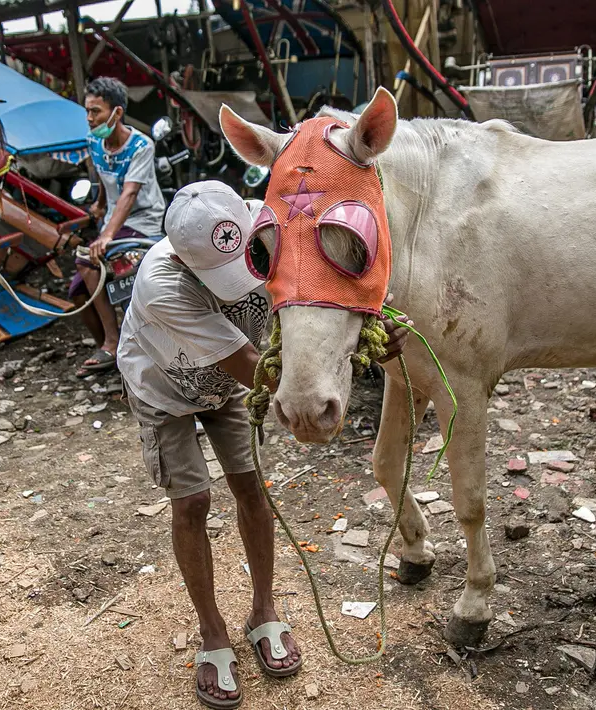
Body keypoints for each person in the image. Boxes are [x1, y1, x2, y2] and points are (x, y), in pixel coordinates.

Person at [117, 181, 410, 709]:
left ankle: (264, 610)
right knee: (193, 501)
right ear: (184, 261)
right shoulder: (162, 286)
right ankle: (212, 633)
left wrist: (365, 328)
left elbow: (320, 295)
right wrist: (351, 363)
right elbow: (258, 372)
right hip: (165, 387)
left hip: (227, 386)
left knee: (253, 489)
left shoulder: (271, 230)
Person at [73, 77, 165, 377]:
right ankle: (110, 350)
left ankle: (113, 342)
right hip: (112, 220)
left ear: (117, 113)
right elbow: (103, 177)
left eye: (96, 112)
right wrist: (99, 203)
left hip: (142, 220)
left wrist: (107, 235)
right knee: (76, 292)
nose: (90, 118)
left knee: (87, 263)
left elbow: (129, 193)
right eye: (87, 111)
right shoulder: (93, 142)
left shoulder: (141, 145)